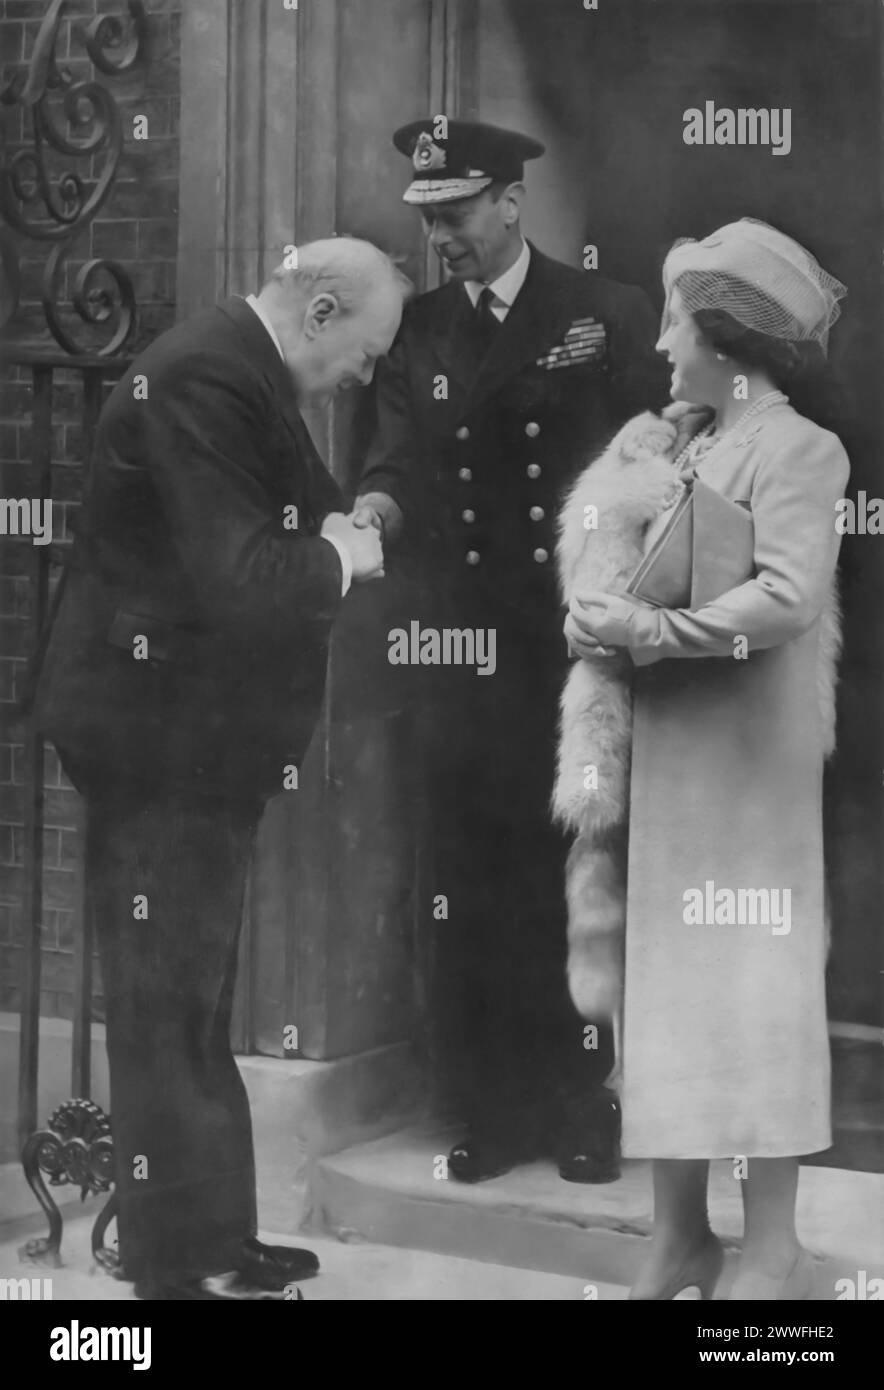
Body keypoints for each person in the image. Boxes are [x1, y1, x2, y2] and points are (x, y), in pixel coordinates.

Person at [34, 238, 409, 1300]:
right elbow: (244, 574)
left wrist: (354, 522)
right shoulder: (209, 373)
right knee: (165, 1008)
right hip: (157, 745)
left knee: (194, 1001)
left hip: (193, 748)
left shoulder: (242, 369)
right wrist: (341, 554)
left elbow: (309, 506)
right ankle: (170, 1269)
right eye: (366, 351)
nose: (364, 373)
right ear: (322, 308)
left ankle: (213, 1245)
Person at [355, 118, 668, 1184]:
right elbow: (390, 458)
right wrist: (369, 521)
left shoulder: (603, 311)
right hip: (457, 644)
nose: (438, 235)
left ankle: (584, 1102)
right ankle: (487, 1104)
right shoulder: (414, 328)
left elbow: (656, 462)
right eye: (426, 218)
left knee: (578, 867)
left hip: (574, 640)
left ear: (508, 202)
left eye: (452, 214)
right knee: (472, 870)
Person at [560, 218, 849, 1299]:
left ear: (725, 339)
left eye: (676, 322)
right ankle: (677, 1234)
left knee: (754, 991)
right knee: (665, 994)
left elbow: (782, 597)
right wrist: (598, 614)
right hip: (669, 760)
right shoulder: (674, 443)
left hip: (744, 771)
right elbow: (636, 571)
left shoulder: (796, 448)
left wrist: (641, 633)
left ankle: (769, 1249)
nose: (660, 345)